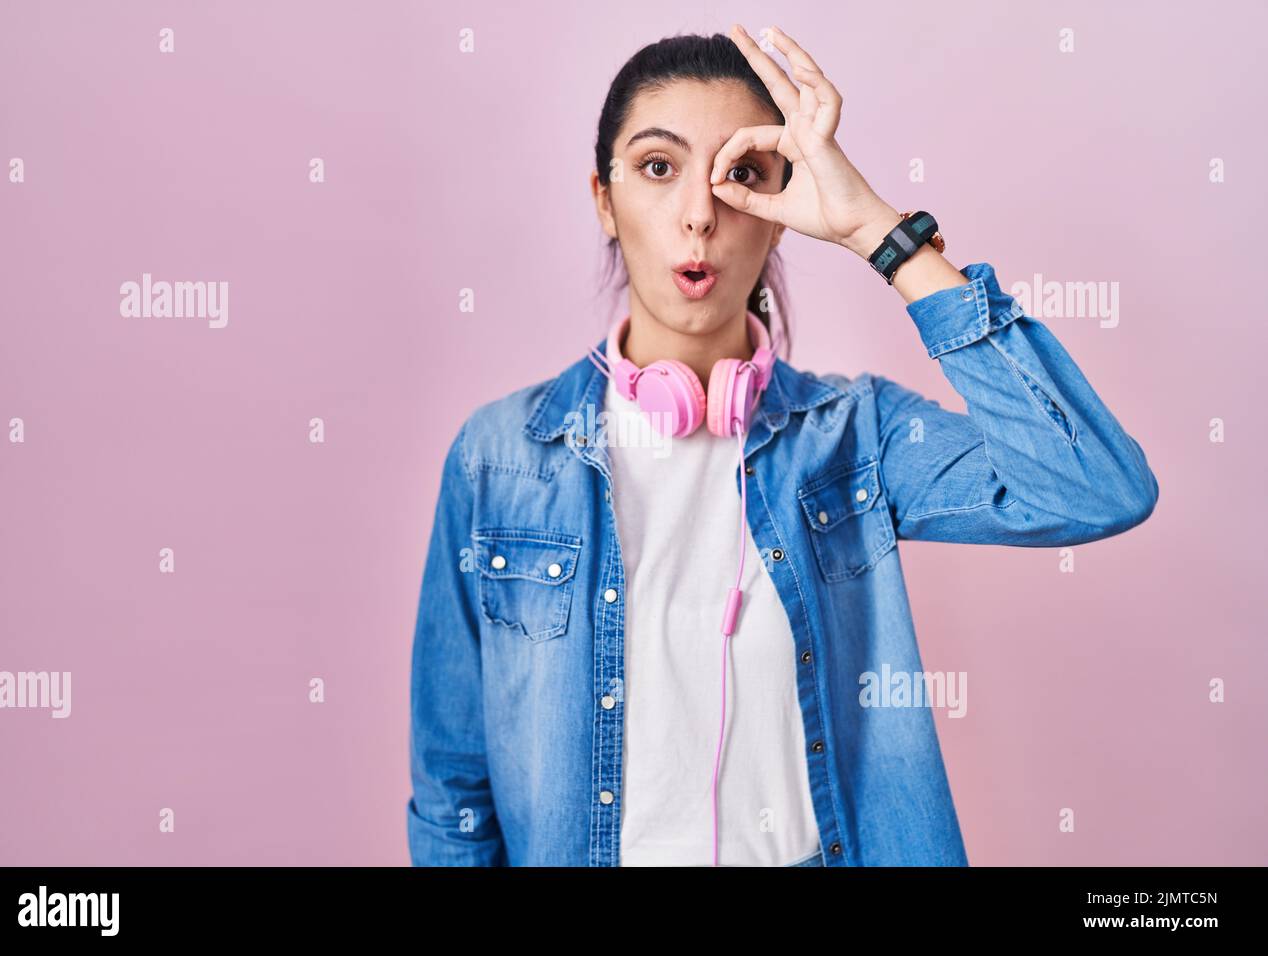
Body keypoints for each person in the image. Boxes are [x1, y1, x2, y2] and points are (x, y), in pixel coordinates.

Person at [407, 24, 1158, 867]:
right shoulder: (499, 457)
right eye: (658, 168)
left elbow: (1096, 486)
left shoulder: (855, 438)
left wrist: (880, 231)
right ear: (603, 198)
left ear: (780, 215)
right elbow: (453, 788)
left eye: (742, 175)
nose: (699, 213)